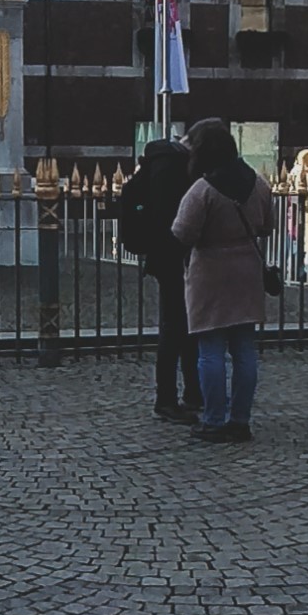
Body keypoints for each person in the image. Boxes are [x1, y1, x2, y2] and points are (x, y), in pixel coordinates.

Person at [171, 118, 273, 445]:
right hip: (247, 269)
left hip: (210, 271)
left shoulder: (203, 189)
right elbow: (266, 225)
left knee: (210, 349)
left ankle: (214, 419)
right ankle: (240, 419)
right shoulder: (258, 184)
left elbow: (183, 233)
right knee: (244, 349)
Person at [116, 139, 202, 423]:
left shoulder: (153, 166)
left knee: (174, 327)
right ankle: (181, 394)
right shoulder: (180, 170)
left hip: (162, 256)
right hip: (182, 254)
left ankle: (176, 394)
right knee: (185, 328)